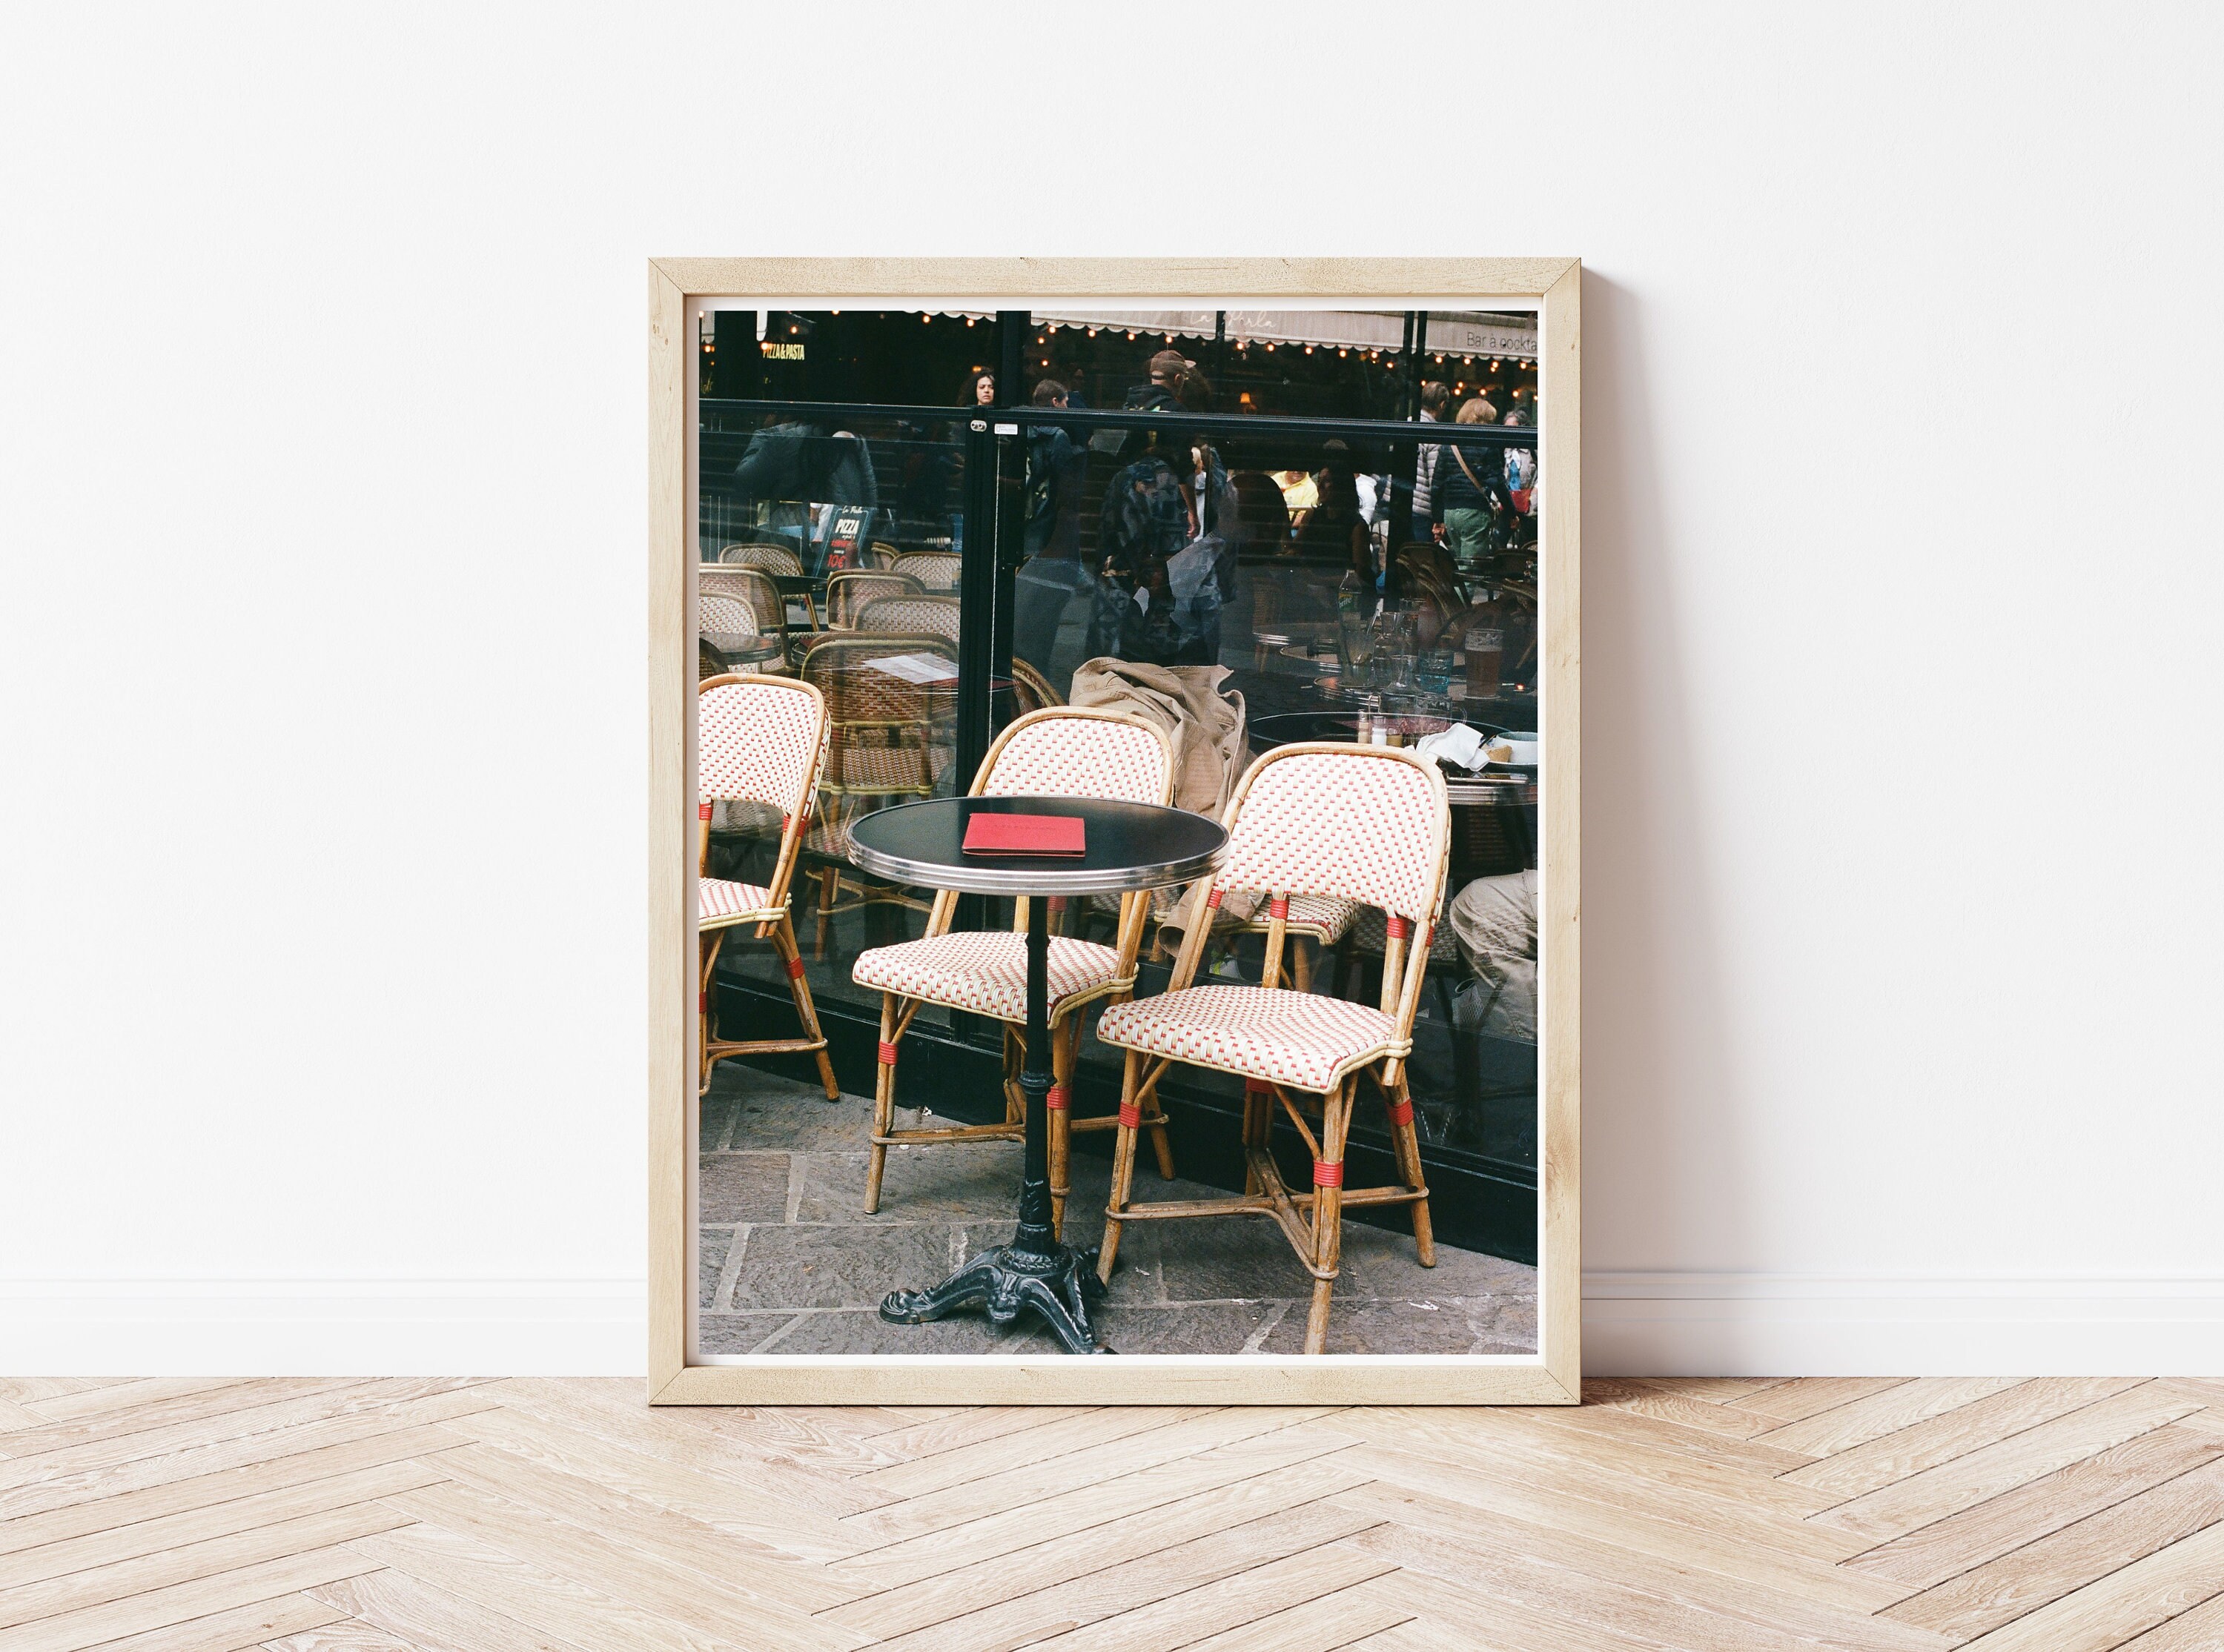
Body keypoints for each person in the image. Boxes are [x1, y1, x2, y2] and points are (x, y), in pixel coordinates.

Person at [1013, 379, 1091, 669]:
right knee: (1043, 608)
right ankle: (1035, 669)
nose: (1068, 407)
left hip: (1025, 517)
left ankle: (1021, 665)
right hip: (1046, 520)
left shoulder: (1022, 428)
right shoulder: (1058, 436)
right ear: (1056, 402)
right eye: (1065, 401)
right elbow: (1063, 486)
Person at [1435, 398, 1504, 571]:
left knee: (1460, 566)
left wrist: (1438, 518)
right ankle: (1460, 590)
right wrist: (1511, 512)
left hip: (1450, 513)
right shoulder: (1487, 445)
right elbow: (1497, 481)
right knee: (1470, 572)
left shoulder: (1449, 445)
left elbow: (1437, 484)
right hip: (1474, 512)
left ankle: (1457, 589)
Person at [1411, 379, 1451, 537]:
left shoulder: (1407, 422)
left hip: (1396, 501)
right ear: (1442, 405)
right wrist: (1439, 517)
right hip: (1421, 510)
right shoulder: (1434, 433)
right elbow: (1436, 480)